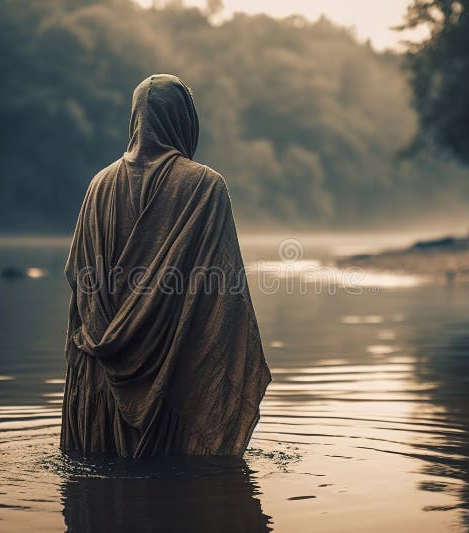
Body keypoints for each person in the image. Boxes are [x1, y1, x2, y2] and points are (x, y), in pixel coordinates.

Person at [61, 74, 271, 457]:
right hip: (175, 378)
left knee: (105, 500)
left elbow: (81, 284)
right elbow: (222, 300)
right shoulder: (206, 187)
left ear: (135, 119)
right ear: (184, 120)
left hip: (103, 382)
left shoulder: (99, 185)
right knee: (178, 487)